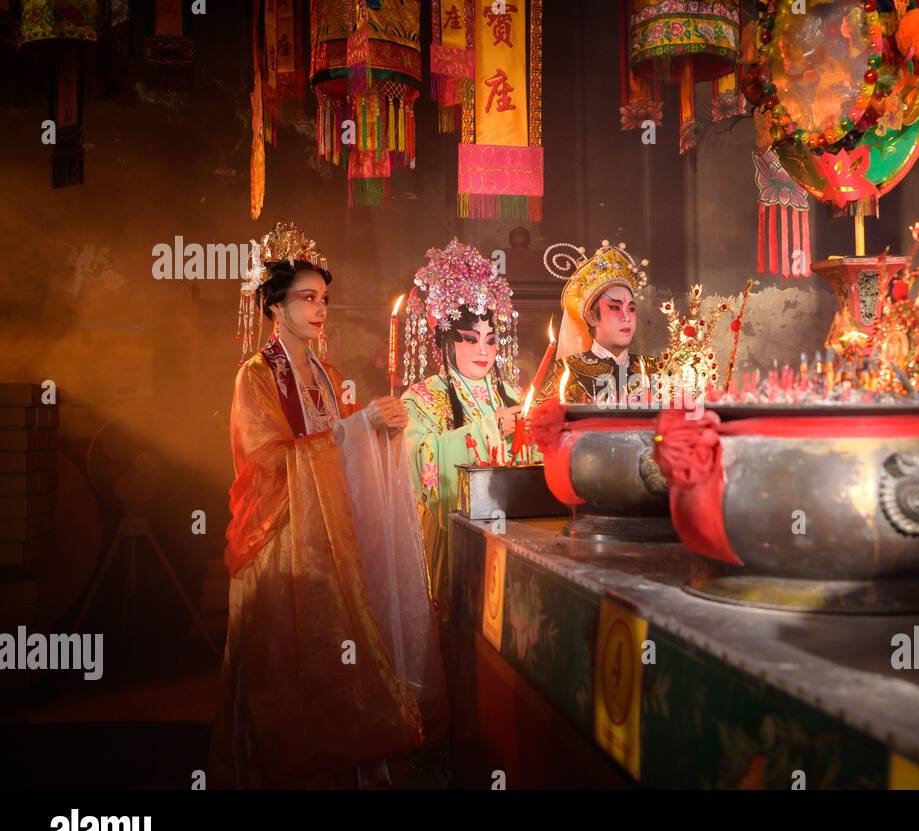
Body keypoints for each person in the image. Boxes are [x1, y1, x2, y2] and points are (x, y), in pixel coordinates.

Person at [211, 222, 436, 789]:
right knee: (282, 675)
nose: (320, 310)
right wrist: (355, 430)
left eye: (324, 300)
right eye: (306, 298)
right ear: (274, 307)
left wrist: (381, 436)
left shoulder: (326, 374)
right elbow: (264, 460)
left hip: (331, 534)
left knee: (339, 664)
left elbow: (344, 455)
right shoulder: (257, 375)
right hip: (280, 538)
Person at [401, 240, 537, 604]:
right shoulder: (422, 397)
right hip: (453, 533)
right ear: (443, 341)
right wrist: (490, 429)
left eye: (491, 341)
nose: (483, 351)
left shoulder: (510, 392)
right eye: (470, 340)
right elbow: (418, 459)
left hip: (516, 530)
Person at [538, 240, 657, 403]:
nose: (627, 317)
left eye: (631, 309)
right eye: (615, 308)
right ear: (592, 317)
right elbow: (543, 417)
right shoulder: (570, 370)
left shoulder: (653, 368)